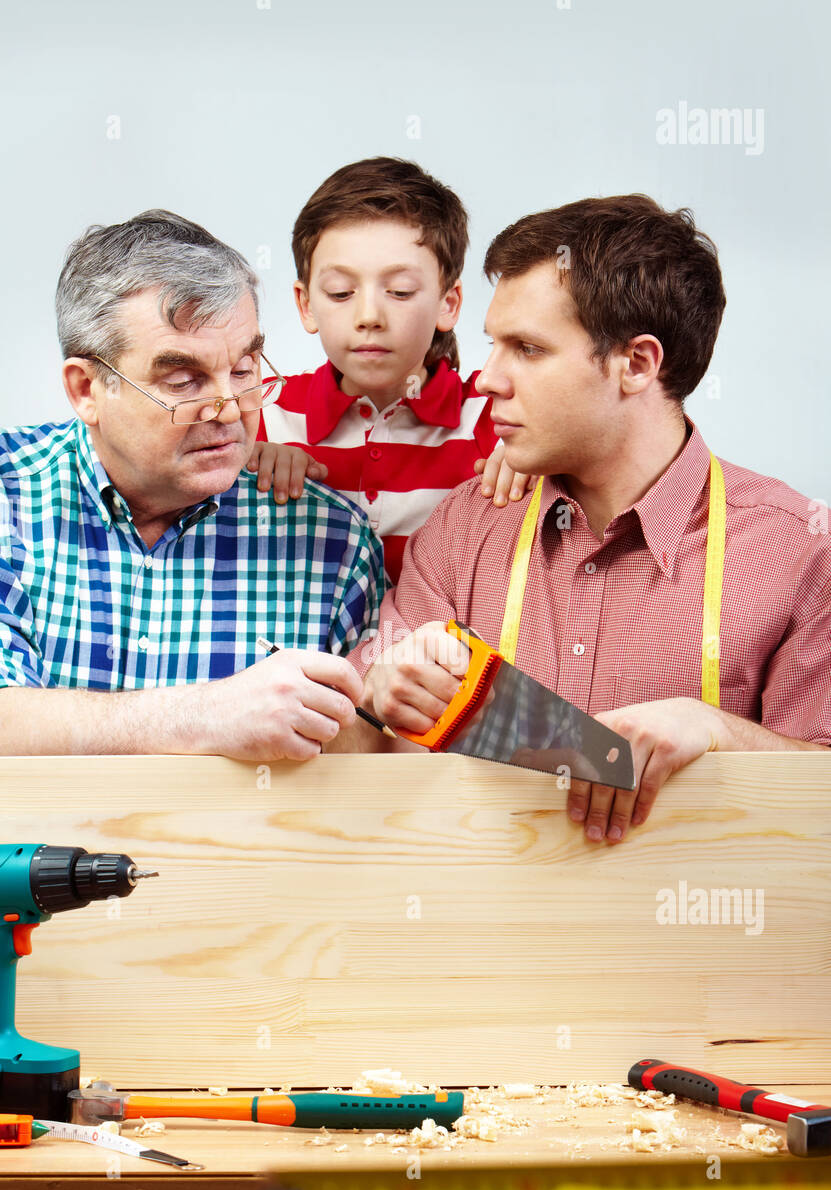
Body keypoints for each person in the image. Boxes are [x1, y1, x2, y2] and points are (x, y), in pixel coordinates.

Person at [342, 195, 831, 841]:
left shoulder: (797, 550)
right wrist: (379, 698)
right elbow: (366, 781)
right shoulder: (465, 528)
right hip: (475, 932)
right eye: (493, 345)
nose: (485, 379)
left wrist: (717, 731)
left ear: (635, 364)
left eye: (527, 348)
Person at [0, 209, 382, 760]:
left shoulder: (332, 541)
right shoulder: (10, 495)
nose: (229, 410)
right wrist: (205, 716)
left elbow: (370, 759)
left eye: (246, 369)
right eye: (183, 380)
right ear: (86, 389)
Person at [247, 156, 532, 582]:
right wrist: (241, 466)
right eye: (341, 292)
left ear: (447, 304)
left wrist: (540, 466)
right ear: (306, 305)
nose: (369, 316)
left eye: (399, 291)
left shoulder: (495, 417)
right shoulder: (263, 410)